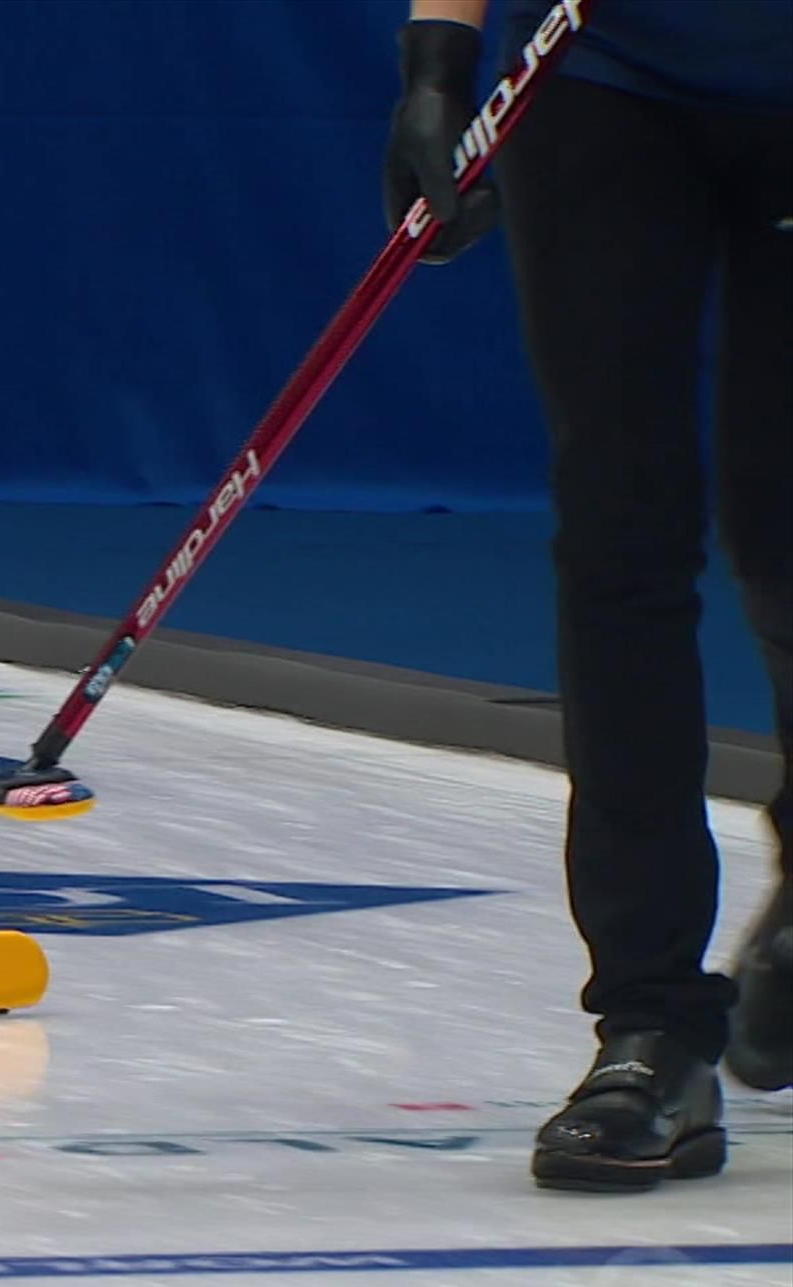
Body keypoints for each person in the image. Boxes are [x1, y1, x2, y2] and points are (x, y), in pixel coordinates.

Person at [381, 0, 793, 1190]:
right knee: (621, 532)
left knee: (784, 528)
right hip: (609, 80)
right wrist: (436, 66)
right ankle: (650, 1027)